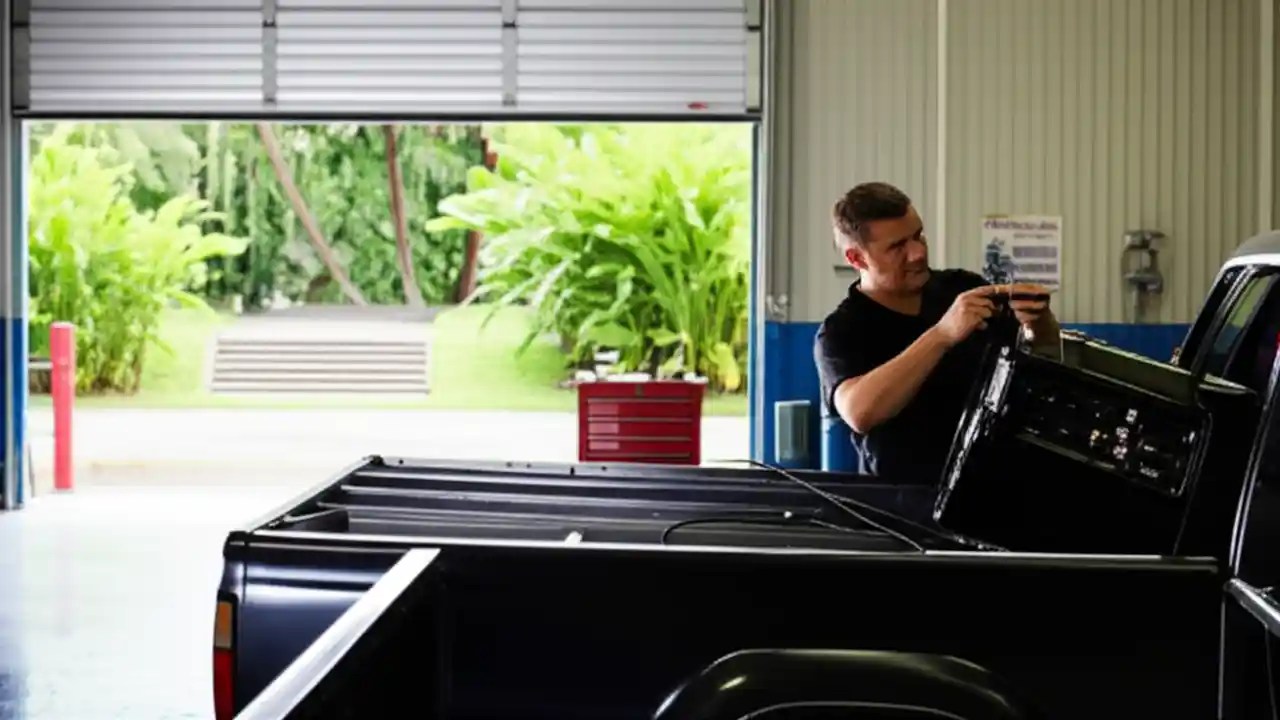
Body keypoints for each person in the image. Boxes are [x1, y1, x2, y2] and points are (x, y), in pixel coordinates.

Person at [813, 181, 1061, 481]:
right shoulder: (843, 330)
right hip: (904, 506)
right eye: (897, 247)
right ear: (857, 258)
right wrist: (941, 335)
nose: (917, 253)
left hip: (990, 490)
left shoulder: (963, 289)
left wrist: (1040, 322)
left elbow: (1042, 360)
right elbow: (859, 412)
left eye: (918, 236)